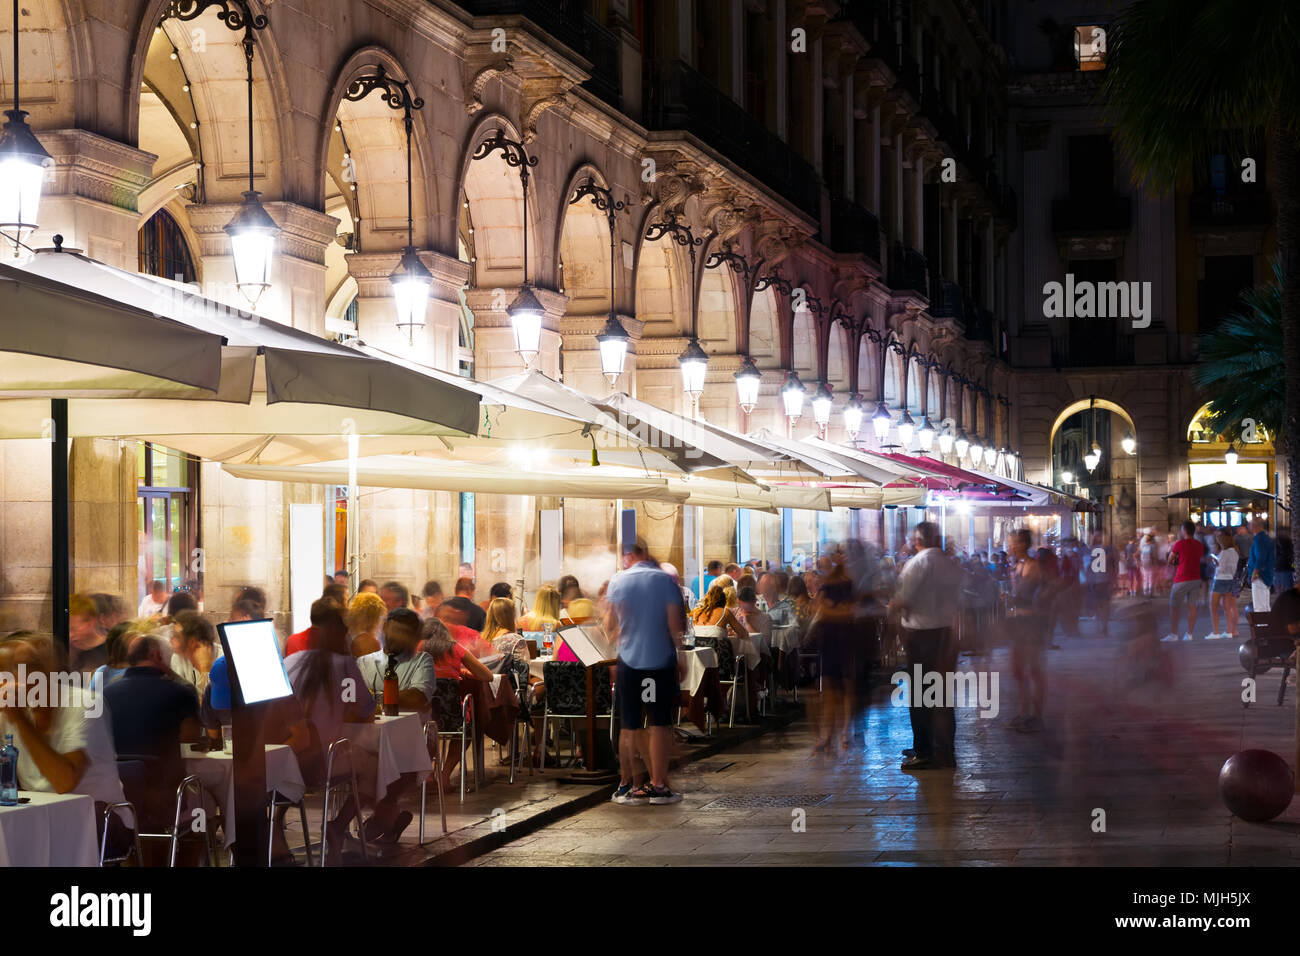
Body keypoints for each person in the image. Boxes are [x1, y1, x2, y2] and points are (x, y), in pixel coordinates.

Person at [0, 634, 130, 857]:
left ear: (52, 671)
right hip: (38, 816)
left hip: (100, 816)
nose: (17, 678)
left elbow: (64, 781)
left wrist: (20, 720)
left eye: (29, 667)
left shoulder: (84, 704)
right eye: (10, 670)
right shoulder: (11, 713)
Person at [605, 540, 685, 806]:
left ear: (628, 555)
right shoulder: (664, 581)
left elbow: (610, 625)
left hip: (628, 661)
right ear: (645, 552)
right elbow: (676, 624)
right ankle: (659, 786)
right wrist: (681, 655)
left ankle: (631, 786)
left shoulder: (618, 581)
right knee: (659, 723)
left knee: (630, 725)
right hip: (657, 661)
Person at [103, 633, 202, 831]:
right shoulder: (179, 692)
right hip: (165, 793)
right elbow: (191, 736)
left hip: (118, 794)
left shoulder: (107, 692)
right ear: (158, 656)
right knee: (202, 804)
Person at [353, 608, 434, 844]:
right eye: (394, 631)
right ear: (385, 630)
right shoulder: (364, 662)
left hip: (413, 737)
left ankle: (383, 817)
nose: (397, 637)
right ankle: (389, 818)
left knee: (381, 760)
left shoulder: (422, 661)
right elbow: (356, 697)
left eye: (405, 633)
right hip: (372, 737)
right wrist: (389, 696)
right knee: (362, 761)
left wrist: (376, 698)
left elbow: (418, 697)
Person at [890, 522, 962, 768]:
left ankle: (925, 750)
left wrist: (891, 607)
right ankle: (945, 750)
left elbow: (904, 599)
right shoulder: (949, 563)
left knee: (921, 696)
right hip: (945, 634)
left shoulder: (918, 563)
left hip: (921, 637)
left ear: (918, 540)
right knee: (942, 696)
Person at [420, 617, 494, 792]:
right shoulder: (454, 648)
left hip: (421, 716)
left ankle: (429, 775)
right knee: (463, 731)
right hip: (451, 715)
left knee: (428, 731)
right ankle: (445, 777)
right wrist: (462, 671)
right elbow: (487, 676)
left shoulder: (416, 649)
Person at [1007, 529, 1049, 732]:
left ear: (1022, 545)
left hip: (1031, 622)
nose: (1009, 547)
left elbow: (1025, 595)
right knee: (1017, 670)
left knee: (1033, 668)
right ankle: (1024, 713)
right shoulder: (1020, 565)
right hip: (1020, 621)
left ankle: (1036, 716)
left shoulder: (1032, 566)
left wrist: (1010, 598)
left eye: (1012, 544)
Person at [1163, 521, 1205, 642]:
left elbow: (1170, 559)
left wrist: (1176, 560)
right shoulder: (1199, 545)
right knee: (1192, 606)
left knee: (1174, 606)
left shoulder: (1179, 544)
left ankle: (1174, 634)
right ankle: (1189, 634)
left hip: (1182, 578)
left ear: (1184, 531)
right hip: (1196, 578)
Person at [169, 610, 222, 698]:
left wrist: (205, 669)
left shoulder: (222, 659)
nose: (171, 640)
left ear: (192, 641)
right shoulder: (177, 658)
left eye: (176, 636)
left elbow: (212, 704)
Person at [1208, 530, 1241, 641]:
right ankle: (1230, 630)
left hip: (1220, 580)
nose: (1217, 539)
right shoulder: (1234, 551)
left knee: (1213, 606)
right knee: (1229, 607)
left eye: (1218, 537)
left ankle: (1216, 631)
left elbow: (1222, 569)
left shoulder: (1225, 552)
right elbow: (1233, 569)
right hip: (1230, 580)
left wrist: (1216, 563)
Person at [68, 593, 110, 675]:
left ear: (91, 622)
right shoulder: (70, 650)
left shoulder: (110, 651)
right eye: (68, 630)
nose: (70, 635)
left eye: (74, 628)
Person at [1084, 531, 1115, 635]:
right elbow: (1090, 566)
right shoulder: (1094, 550)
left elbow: (1110, 567)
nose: (1100, 537)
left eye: (1101, 535)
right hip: (1096, 580)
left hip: (1103, 580)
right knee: (1099, 604)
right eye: (1097, 535)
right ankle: (1100, 625)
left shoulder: (1104, 549)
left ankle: (1103, 625)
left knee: (1103, 603)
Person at [347, 591, 388, 657]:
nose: (381, 620)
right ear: (374, 616)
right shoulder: (369, 642)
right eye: (380, 616)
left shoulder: (351, 635)